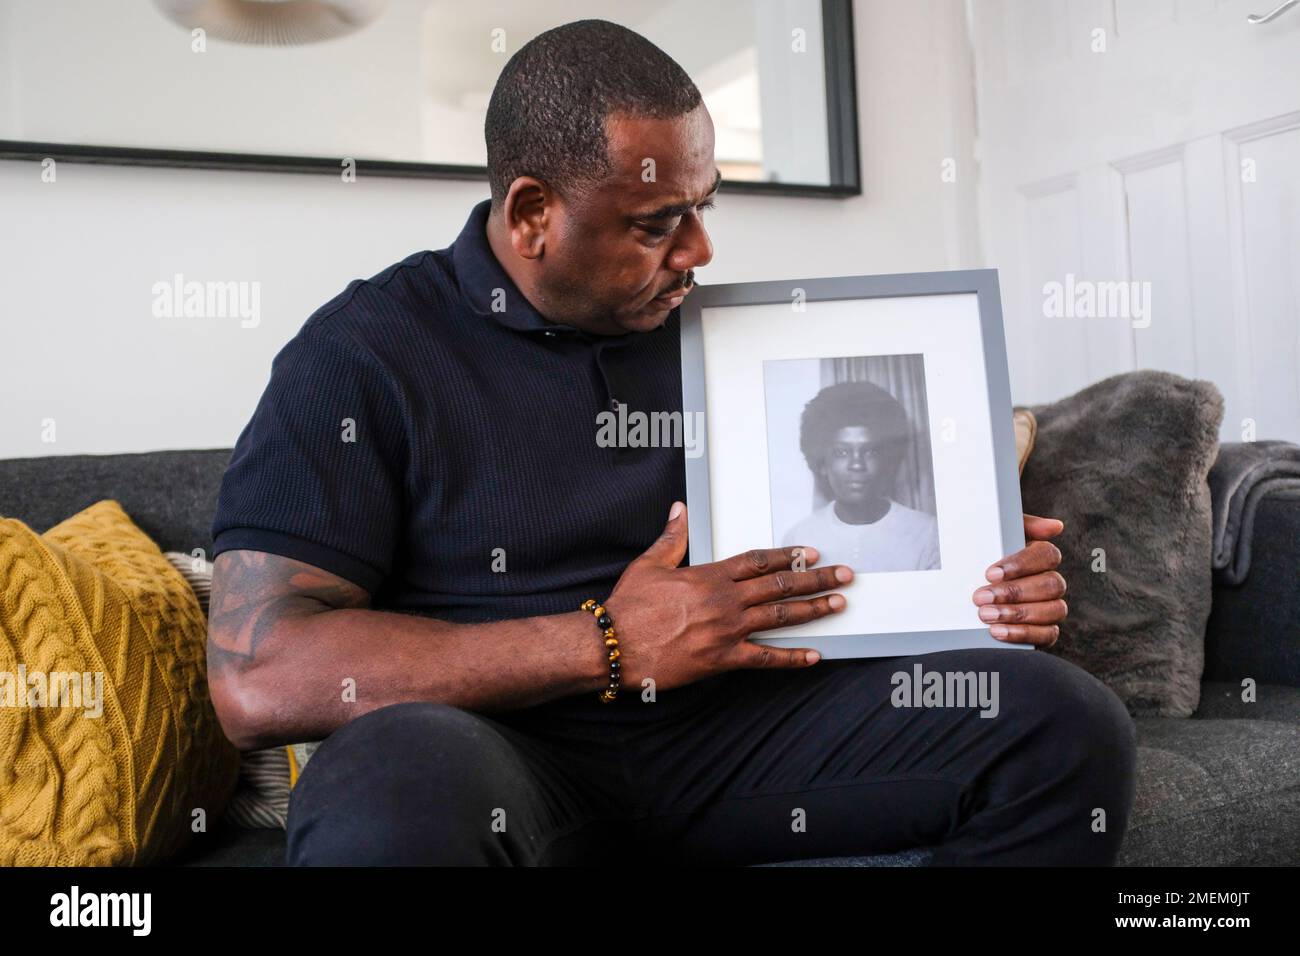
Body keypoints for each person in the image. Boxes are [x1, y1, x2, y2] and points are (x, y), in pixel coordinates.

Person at [207, 19, 1134, 866]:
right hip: (502, 753)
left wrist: (975, 586)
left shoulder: (744, 343)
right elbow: (258, 676)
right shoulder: (361, 353)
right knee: (386, 784)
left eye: (705, 208)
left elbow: (834, 563)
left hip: (742, 736)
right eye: (656, 223)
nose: (698, 251)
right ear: (533, 213)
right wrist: (604, 644)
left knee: (1059, 721)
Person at [781, 381, 941, 573]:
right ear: (823, 464)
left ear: (888, 462)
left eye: (870, 452)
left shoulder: (928, 533)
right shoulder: (799, 539)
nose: (857, 464)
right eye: (841, 452)